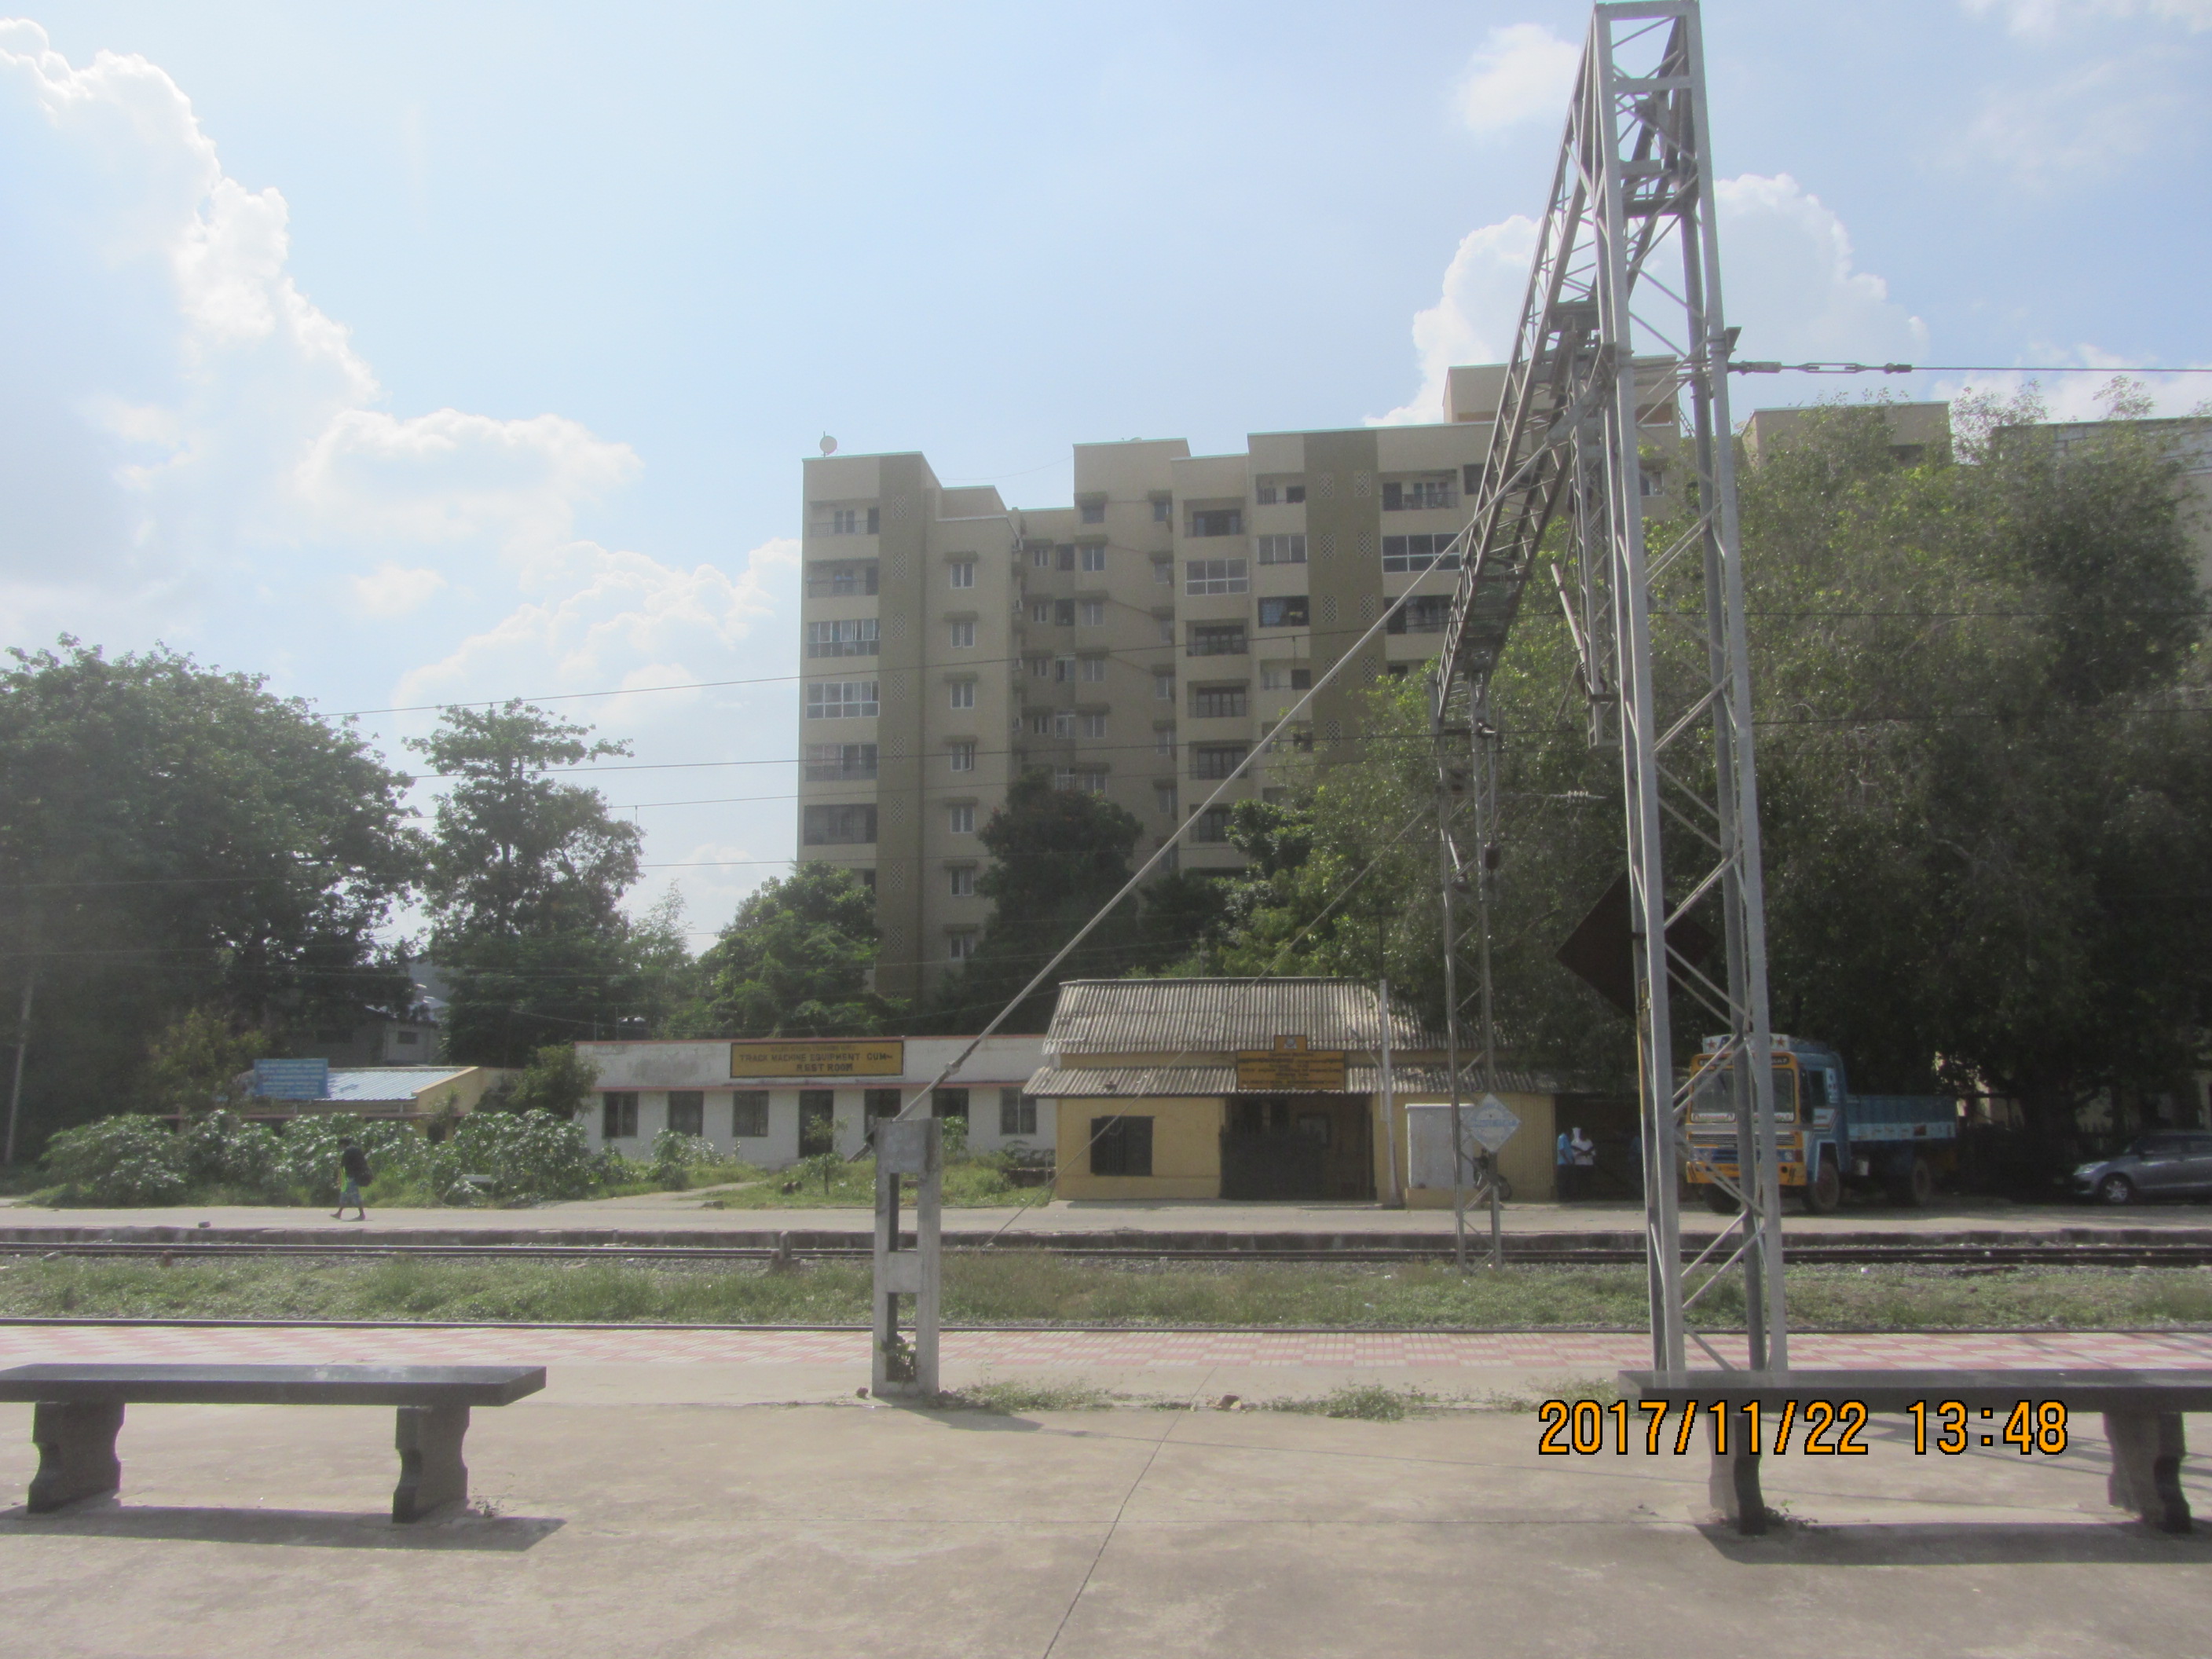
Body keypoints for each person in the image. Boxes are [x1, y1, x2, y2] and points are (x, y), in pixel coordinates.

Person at [334, 1139, 372, 1221]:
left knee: (355, 1194)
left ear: (343, 1145)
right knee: (344, 1194)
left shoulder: (347, 1151)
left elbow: (342, 1166)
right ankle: (339, 1213)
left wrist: (339, 1178)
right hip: (358, 1175)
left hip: (350, 1176)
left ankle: (362, 1214)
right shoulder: (357, 1150)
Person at [1555, 1126, 1576, 1201]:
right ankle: (1562, 1197)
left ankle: (1568, 1196)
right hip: (1563, 1163)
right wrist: (1567, 1160)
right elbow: (1561, 1150)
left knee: (1568, 1180)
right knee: (1563, 1181)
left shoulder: (1568, 1139)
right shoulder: (1562, 1138)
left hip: (1568, 1163)